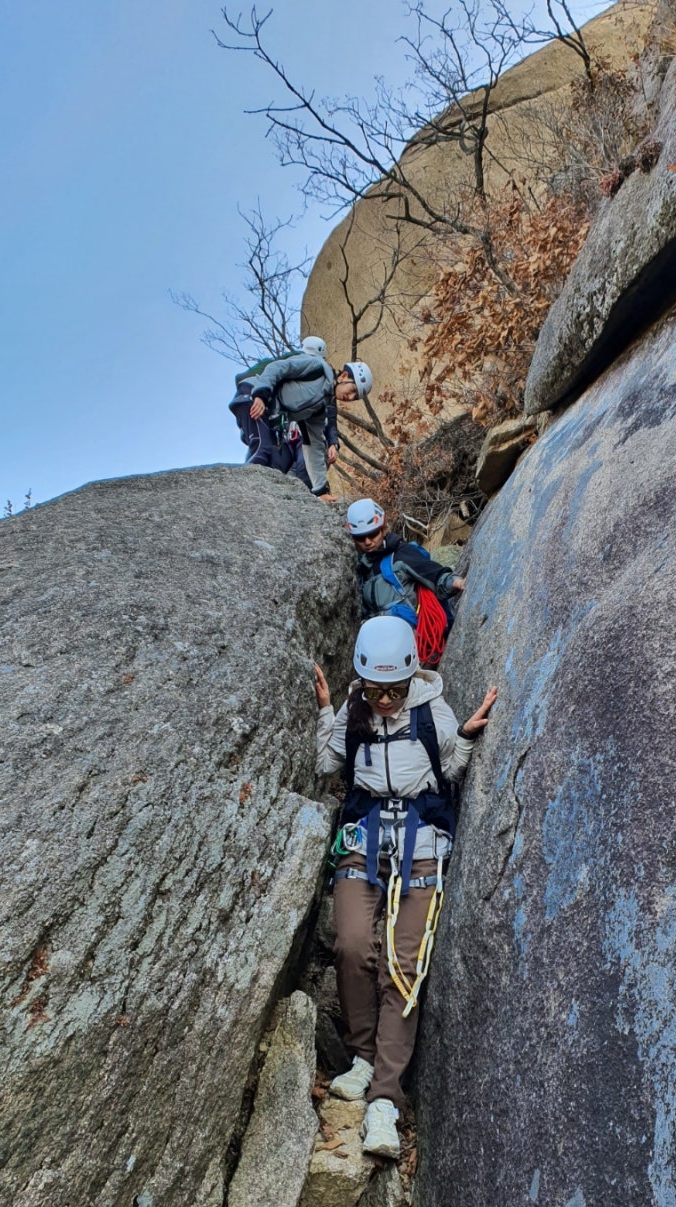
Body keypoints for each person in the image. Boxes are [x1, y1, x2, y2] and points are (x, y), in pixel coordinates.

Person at [314, 618, 497, 1158]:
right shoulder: (356, 709)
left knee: (405, 964)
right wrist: (328, 711)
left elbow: (450, 771)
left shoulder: (430, 709)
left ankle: (384, 1100)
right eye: (376, 690)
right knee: (351, 945)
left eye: (395, 690)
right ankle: (362, 1055)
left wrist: (466, 736)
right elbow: (327, 763)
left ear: (412, 676)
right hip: (364, 833)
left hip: (421, 841)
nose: (386, 701)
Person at [230, 351, 373, 496]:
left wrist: (321, 491)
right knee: (263, 449)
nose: (350, 397)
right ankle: (239, 495)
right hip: (252, 395)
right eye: (353, 390)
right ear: (343, 376)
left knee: (275, 463)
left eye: (355, 397)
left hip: (268, 414)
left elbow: (314, 445)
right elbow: (278, 367)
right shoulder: (317, 367)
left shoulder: (319, 408)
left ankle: (255, 499)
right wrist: (261, 394)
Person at [346, 497, 466, 664]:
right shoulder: (362, 567)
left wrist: (456, 582)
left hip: (415, 640)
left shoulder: (402, 554)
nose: (367, 542)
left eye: (372, 534)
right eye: (360, 537)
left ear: (383, 528)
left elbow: (433, 574)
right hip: (383, 643)